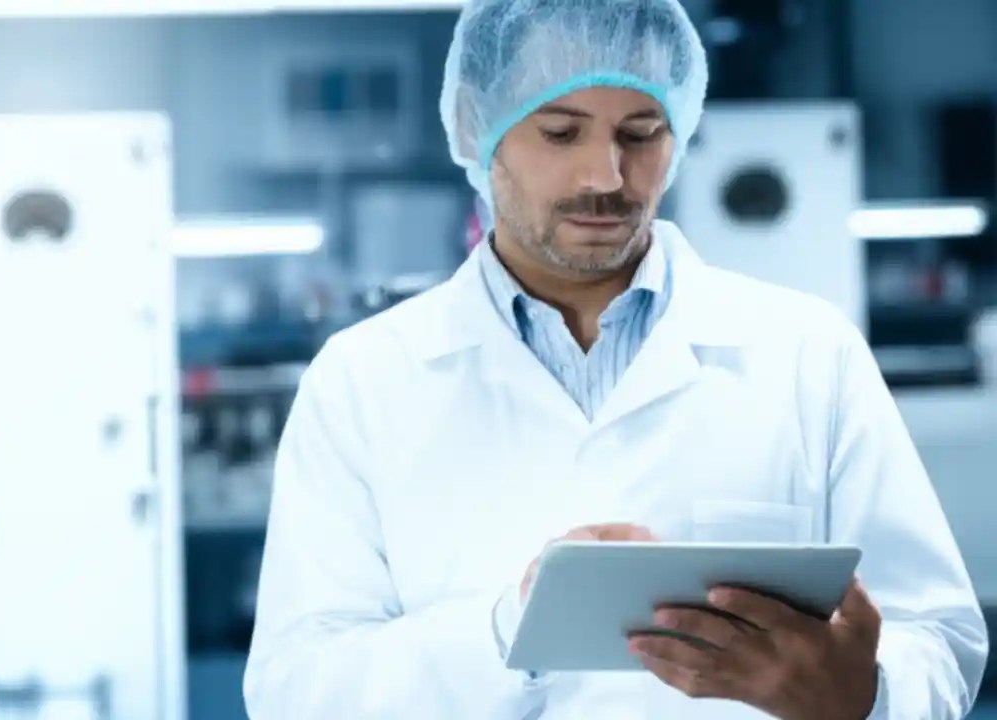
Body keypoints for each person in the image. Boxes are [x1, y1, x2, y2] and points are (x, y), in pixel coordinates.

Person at [243, 0, 989, 717]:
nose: (605, 176)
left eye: (641, 132)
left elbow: (941, 638)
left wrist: (865, 697)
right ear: (477, 126)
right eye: (561, 133)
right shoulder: (363, 382)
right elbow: (296, 692)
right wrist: (506, 632)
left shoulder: (807, 356)